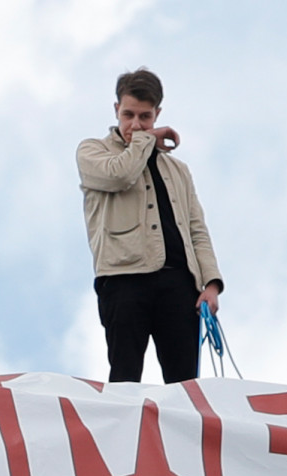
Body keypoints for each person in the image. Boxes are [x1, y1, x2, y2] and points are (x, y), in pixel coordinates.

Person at [76, 68, 224, 384]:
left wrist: (211, 284)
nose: (135, 125)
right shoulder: (92, 151)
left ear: (157, 114)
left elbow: (196, 228)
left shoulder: (178, 169)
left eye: (145, 117)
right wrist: (147, 140)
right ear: (116, 109)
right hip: (123, 279)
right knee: (125, 379)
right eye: (128, 115)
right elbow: (120, 174)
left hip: (179, 284)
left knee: (186, 385)